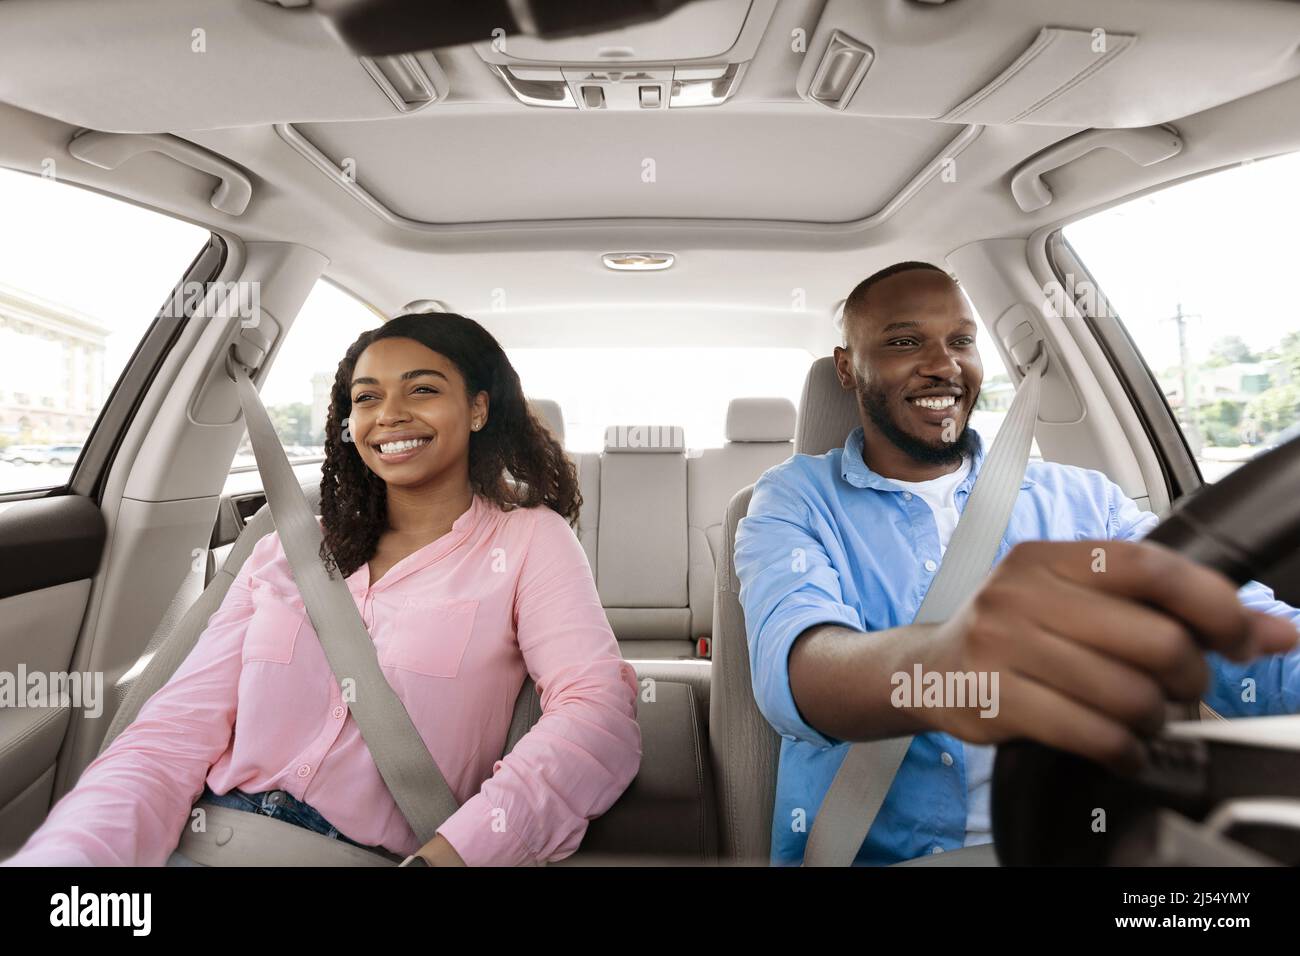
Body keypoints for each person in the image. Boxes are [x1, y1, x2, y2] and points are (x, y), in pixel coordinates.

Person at [3, 313, 641, 866]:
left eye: (422, 389)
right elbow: (172, 733)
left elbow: (596, 713)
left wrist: (456, 854)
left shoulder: (530, 541)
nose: (390, 414)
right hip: (203, 842)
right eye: (367, 398)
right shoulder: (287, 548)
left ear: (477, 408)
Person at [735, 262, 1300, 865]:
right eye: (904, 342)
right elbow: (798, 670)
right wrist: (947, 662)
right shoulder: (794, 498)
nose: (944, 365)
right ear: (848, 367)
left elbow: (1223, 618)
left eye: (961, 341)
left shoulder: (1085, 502)